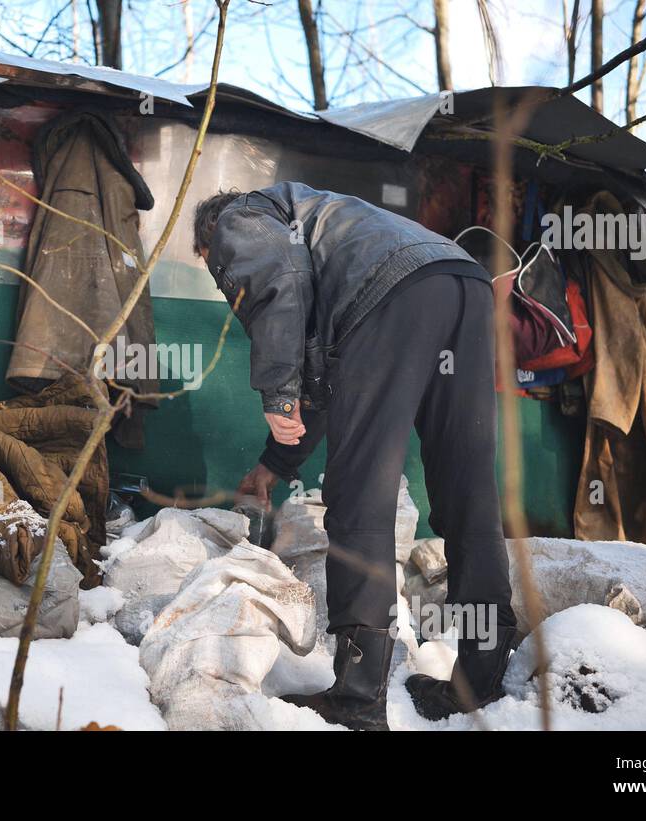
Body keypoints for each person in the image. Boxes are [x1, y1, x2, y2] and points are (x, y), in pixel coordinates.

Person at [192, 183, 517, 730]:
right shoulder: (332, 232)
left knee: (360, 496)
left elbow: (276, 286)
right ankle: (480, 680)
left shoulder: (240, 216)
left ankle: (358, 697)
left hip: (395, 297)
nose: (226, 282)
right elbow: (331, 383)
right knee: (468, 491)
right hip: (463, 284)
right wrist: (277, 462)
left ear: (213, 235)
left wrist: (276, 393)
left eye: (215, 268)